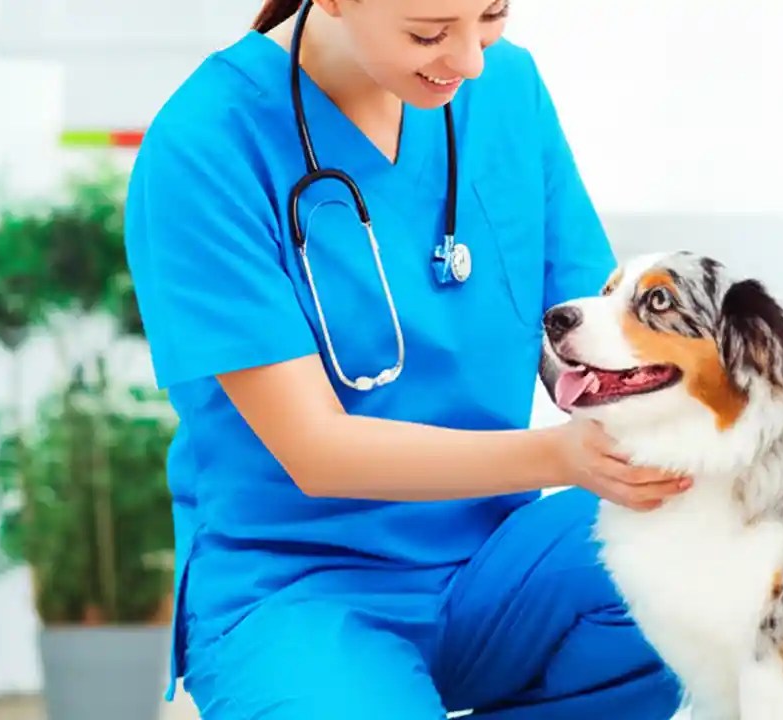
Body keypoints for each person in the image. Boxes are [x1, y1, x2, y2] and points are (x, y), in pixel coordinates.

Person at [122, 0, 691, 717]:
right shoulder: (207, 143)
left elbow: (591, 332)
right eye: (429, 33)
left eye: (491, 15)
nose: (470, 60)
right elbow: (317, 451)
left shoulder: (506, 87)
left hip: (498, 566)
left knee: (699, 561)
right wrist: (561, 456)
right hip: (303, 588)